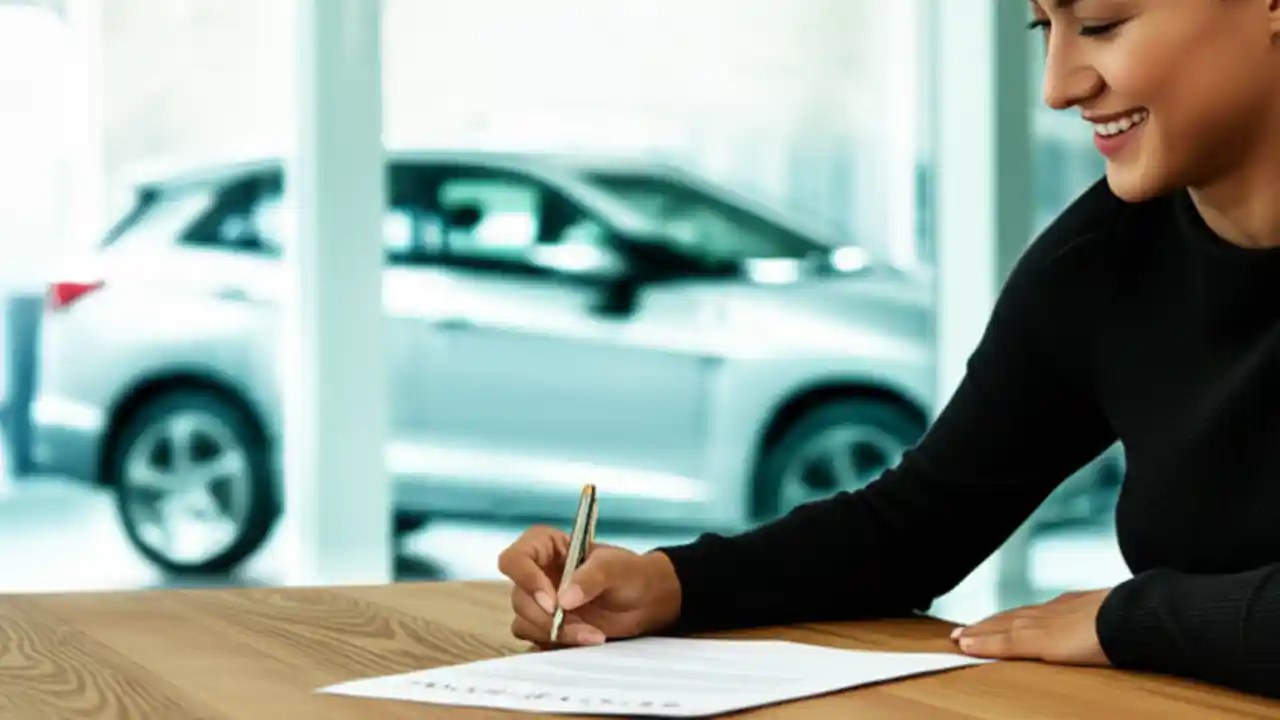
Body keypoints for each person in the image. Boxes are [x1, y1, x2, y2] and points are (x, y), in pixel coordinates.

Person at [498, 0, 1280, 699]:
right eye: (1045, 28)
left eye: (1102, 25)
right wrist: (665, 585)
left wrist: (1131, 620)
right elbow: (920, 522)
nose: (1059, 86)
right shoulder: (1104, 260)